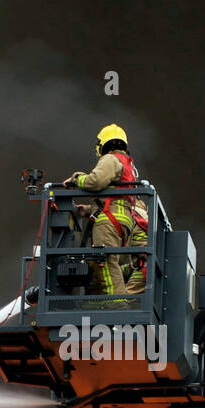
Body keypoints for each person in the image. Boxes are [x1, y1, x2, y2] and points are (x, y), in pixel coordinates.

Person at [63, 124, 140, 297]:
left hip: (108, 221)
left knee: (105, 262)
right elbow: (116, 198)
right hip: (122, 220)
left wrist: (76, 179)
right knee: (99, 264)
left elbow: (95, 181)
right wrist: (89, 210)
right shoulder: (128, 165)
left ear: (103, 145)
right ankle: (96, 302)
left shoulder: (111, 159)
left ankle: (117, 306)